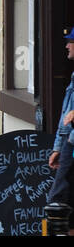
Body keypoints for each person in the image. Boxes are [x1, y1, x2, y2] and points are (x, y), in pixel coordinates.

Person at [47, 28, 74, 212]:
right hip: (70, 143)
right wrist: (58, 147)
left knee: (59, 199)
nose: (67, 45)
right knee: (65, 199)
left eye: (70, 41)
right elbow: (65, 114)